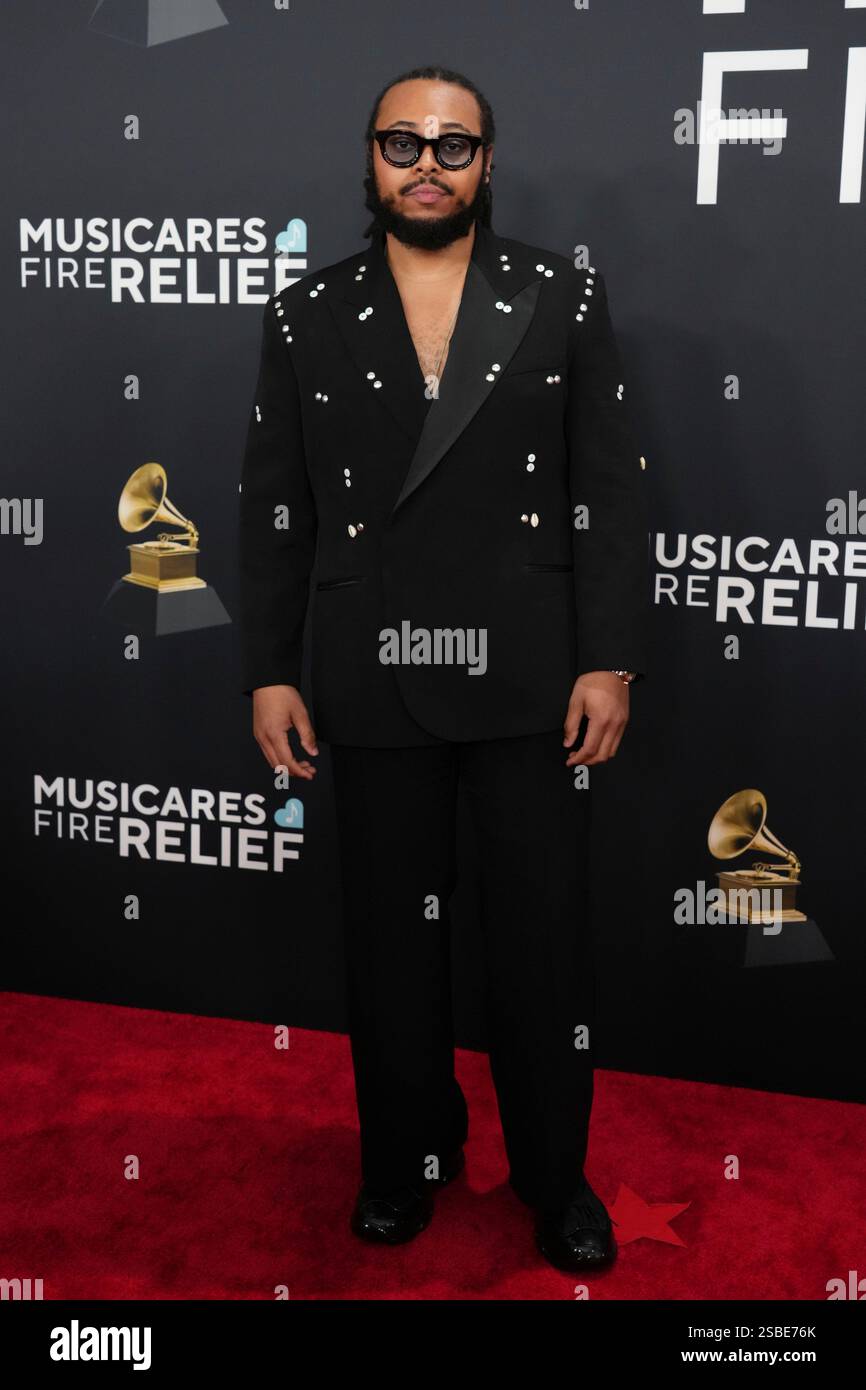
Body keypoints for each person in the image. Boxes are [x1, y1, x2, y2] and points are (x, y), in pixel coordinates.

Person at [237, 65, 649, 1273]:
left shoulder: (559, 294)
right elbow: (276, 507)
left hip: (530, 677)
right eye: (402, 141)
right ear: (368, 158)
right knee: (389, 947)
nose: (427, 162)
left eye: (452, 144)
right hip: (371, 675)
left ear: (485, 162)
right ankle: (404, 1161)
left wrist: (608, 658)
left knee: (539, 945)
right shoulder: (304, 312)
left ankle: (552, 1175)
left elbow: (608, 495)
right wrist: (269, 666)